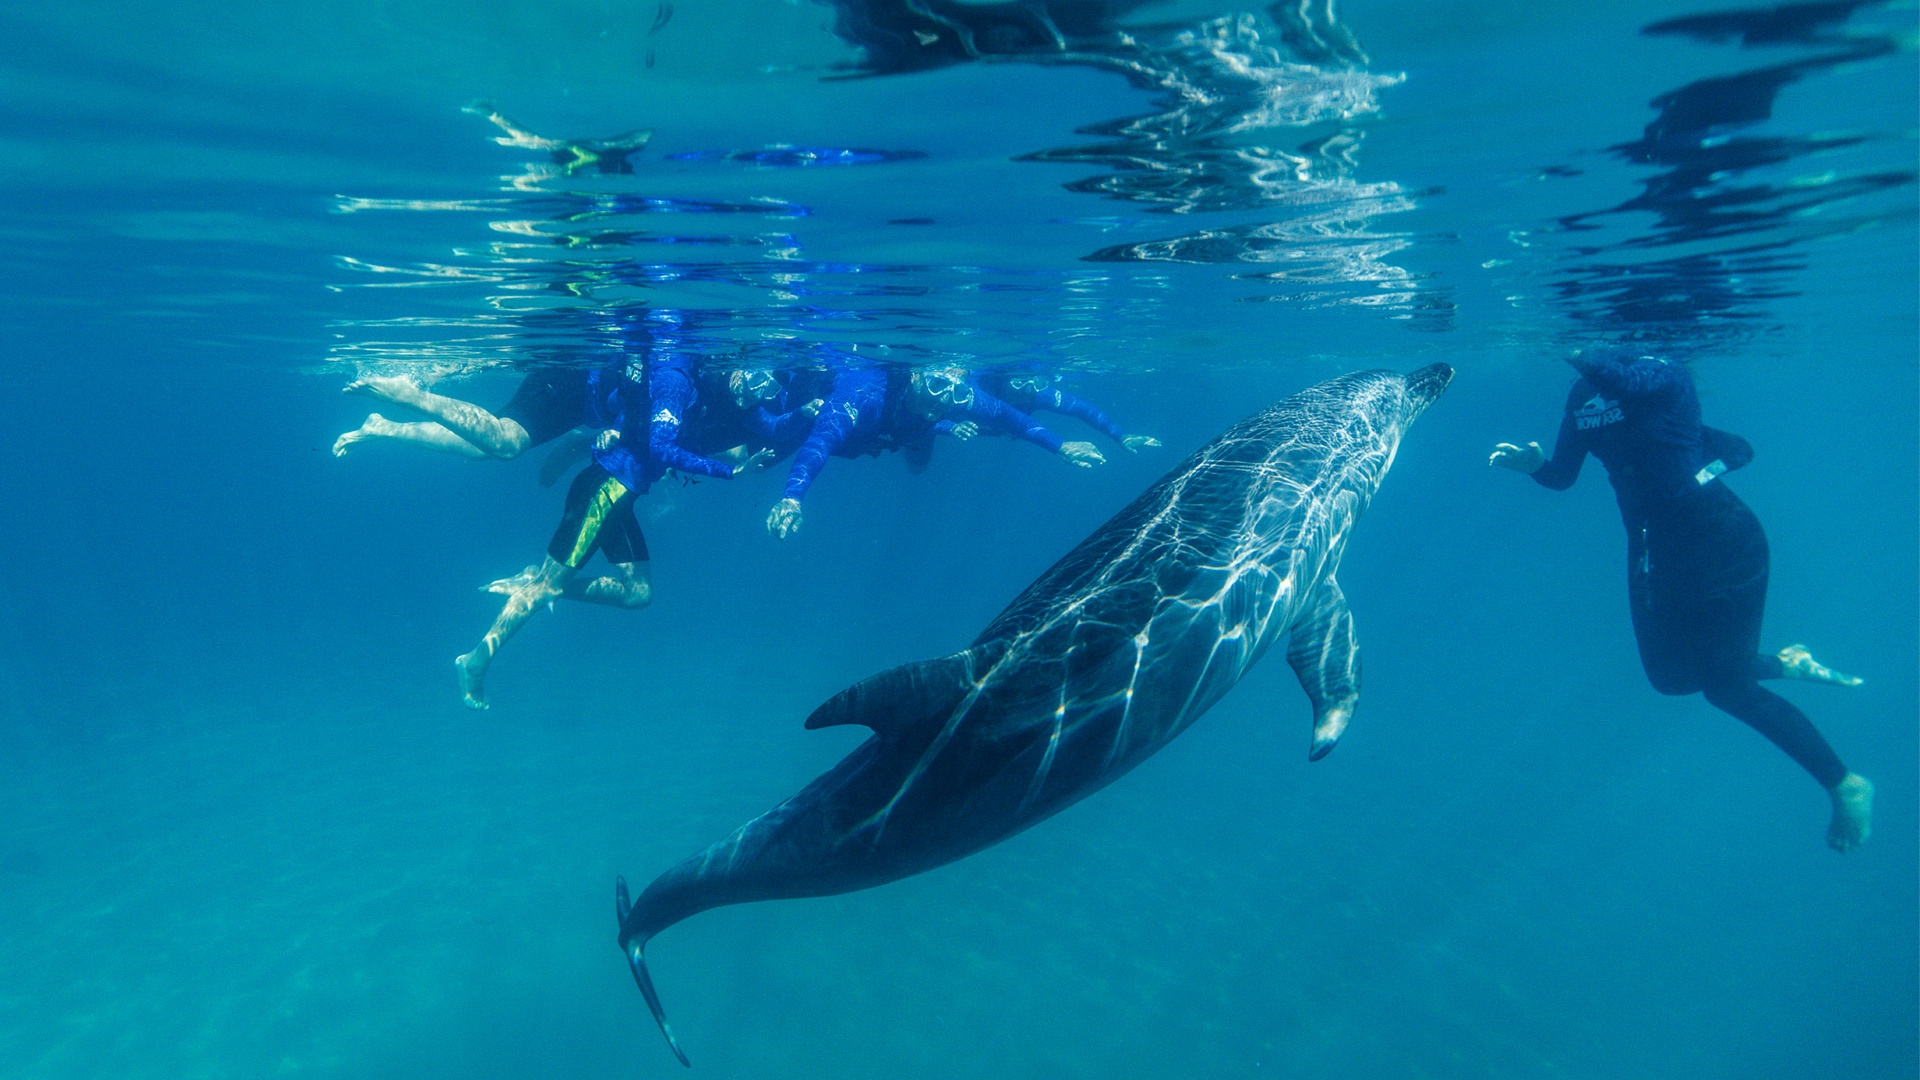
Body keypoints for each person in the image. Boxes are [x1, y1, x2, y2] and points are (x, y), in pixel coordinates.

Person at [1490, 348, 1872, 851]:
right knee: (1669, 679)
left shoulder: (1664, 374)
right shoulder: (1582, 394)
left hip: (1722, 544)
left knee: (1725, 687)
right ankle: (1783, 662)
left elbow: (1625, 380)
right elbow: (1565, 474)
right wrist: (1537, 466)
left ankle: (1845, 784)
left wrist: (1572, 343)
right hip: (1653, 551)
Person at [764, 360, 1103, 539]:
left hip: (895, 435)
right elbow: (820, 442)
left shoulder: (958, 393)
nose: (946, 396)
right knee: (757, 450)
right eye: (937, 383)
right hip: (803, 420)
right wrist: (792, 497)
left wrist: (1060, 447)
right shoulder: (863, 397)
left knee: (919, 460)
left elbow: (1008, 417)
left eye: (955, 391)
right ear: (913, 376)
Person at [977, 371, 1162, 453]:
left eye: (1038, 383)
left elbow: (1082, 409)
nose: (1029, 390)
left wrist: (1120, 436)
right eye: (1018, 383)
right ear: (1001, 380)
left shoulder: (1039, 394)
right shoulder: (980, 388)